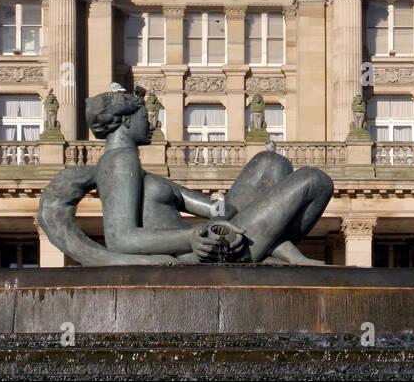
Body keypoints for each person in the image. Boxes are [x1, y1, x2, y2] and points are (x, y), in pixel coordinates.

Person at [38, 89, 332, 265]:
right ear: (126, 121)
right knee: (315, 180)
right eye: (145, 117)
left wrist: (218, 209)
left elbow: (221, 210)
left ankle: (272, 246)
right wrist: (191, 237)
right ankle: (271, 249)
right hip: (212, 251)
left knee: (270, 162)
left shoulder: (132, 165)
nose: (152, 123)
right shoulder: (119, 163)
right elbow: (121, 239)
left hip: (217, 232)